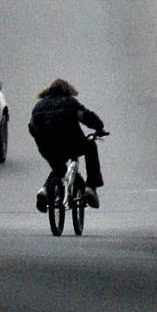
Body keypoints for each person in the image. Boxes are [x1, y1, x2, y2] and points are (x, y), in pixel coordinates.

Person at [28, 78, 107, 212]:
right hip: (71, 143)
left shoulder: (38, 106)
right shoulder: (70, 102)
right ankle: (91, 186)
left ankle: (45, 191)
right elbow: (86, 117)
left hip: (47, 147)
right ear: (68, 90)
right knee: (90, 147)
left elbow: (31, 127)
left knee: (59, 168)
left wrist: (42, 140)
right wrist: (99, 128)